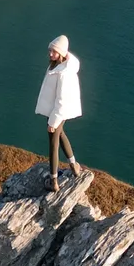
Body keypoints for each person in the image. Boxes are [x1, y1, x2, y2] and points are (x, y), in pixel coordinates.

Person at [35, 34, 83, 192]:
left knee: (53, 144)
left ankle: (53, 180)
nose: (50, 54)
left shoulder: (63, 72)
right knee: (61, 135)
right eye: (50, 50)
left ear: (62, 54)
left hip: (57, 112)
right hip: (55, 110)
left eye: (54, 52)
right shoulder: (58, 66)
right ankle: (74, 166)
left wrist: (53, 122)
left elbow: (61, 100)